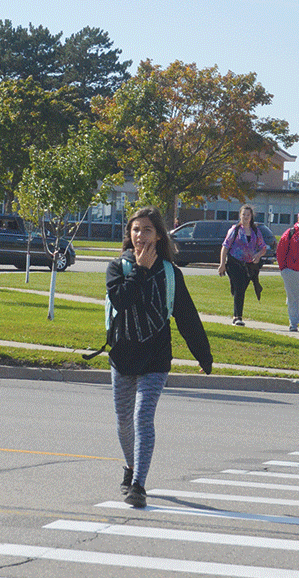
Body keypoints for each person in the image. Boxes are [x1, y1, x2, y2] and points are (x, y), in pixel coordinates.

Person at [106, 207, 212, 507]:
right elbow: (121, 300)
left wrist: (203, 355)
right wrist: (139, 269)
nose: (140, 235)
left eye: (147, 230)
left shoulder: (170, 273)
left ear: (159, 235)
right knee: (124, 421)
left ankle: (138, 484)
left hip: (155, 358)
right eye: (136, 229)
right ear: (129, 233)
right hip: (122, 355)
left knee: (142, 417)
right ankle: (130, 467)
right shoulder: (117, 268)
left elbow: (187, 317)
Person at [217, 204, 272, 325]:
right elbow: (225, 247)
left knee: (241, 289)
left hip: (249, 266)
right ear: (240, 216)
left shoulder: (255, 231)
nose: (246, 217)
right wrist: (222, 264)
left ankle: (236, 305)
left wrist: (258, 255)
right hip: (234, 263)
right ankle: (237, 317)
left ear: (251, 216)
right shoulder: (235, 230)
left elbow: (263, 247)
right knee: (239, 288)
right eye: (243, 215)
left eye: (248, 215)